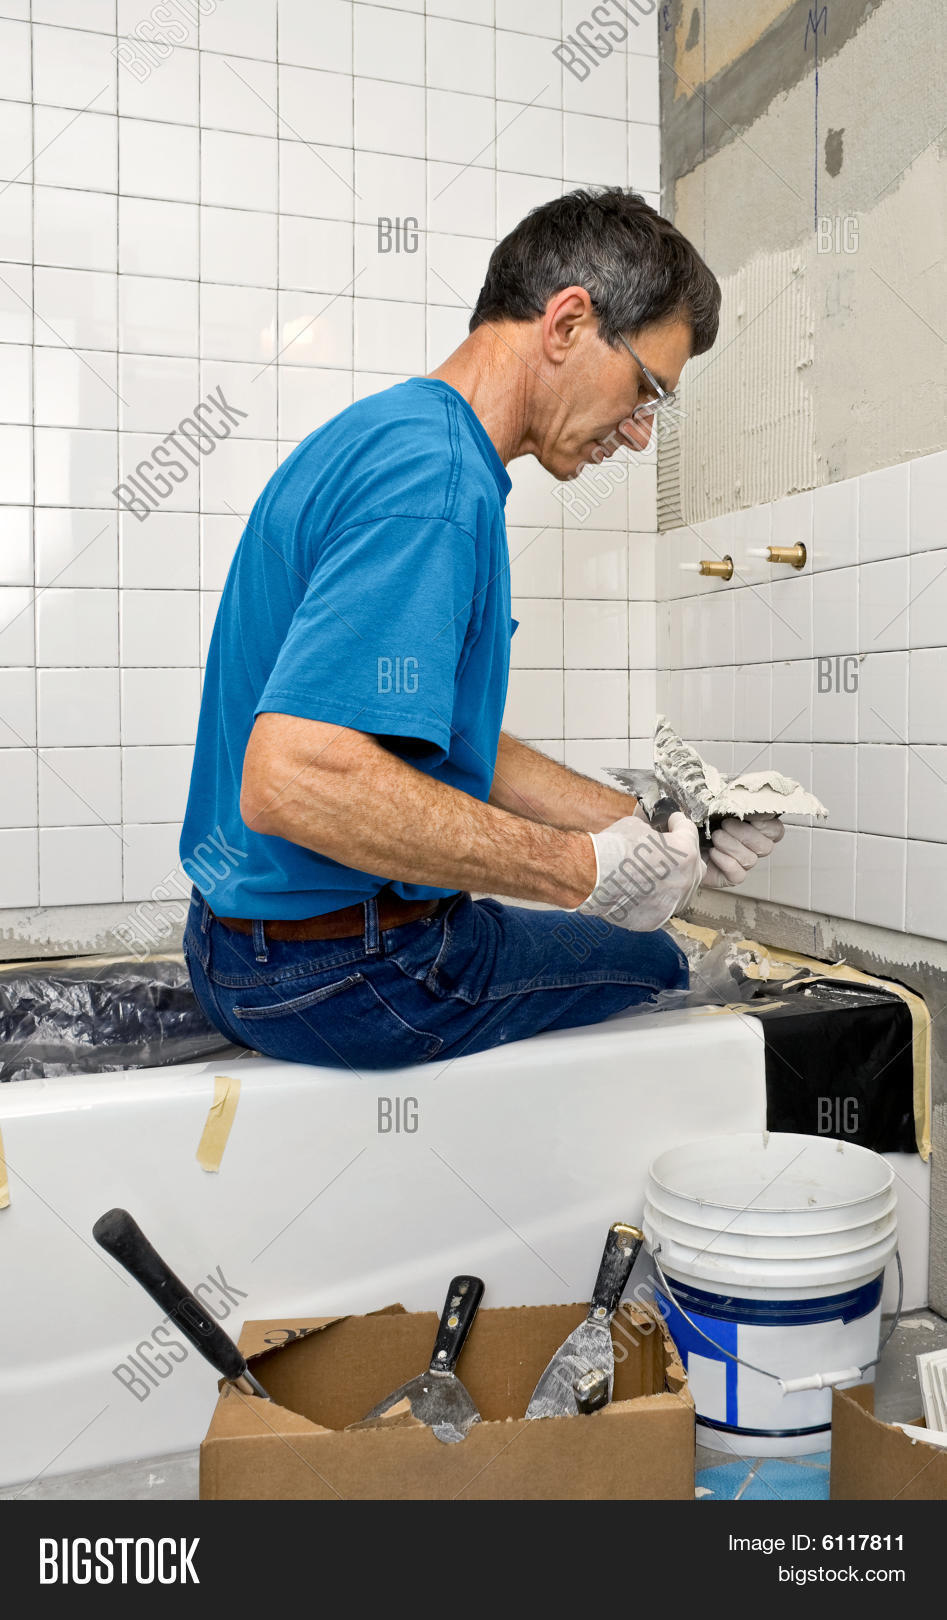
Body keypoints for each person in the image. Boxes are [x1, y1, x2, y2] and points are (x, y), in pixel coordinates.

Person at [181, 187, 782, 1071]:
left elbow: (449, 745)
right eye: (647, 387)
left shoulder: (394, 437)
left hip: (238, 951)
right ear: (568, 322)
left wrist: (650, 825)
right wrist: (582, 872)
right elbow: (294, 778)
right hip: (343, 976)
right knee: (657, 962)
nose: (643, 432)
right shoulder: (435, 485)